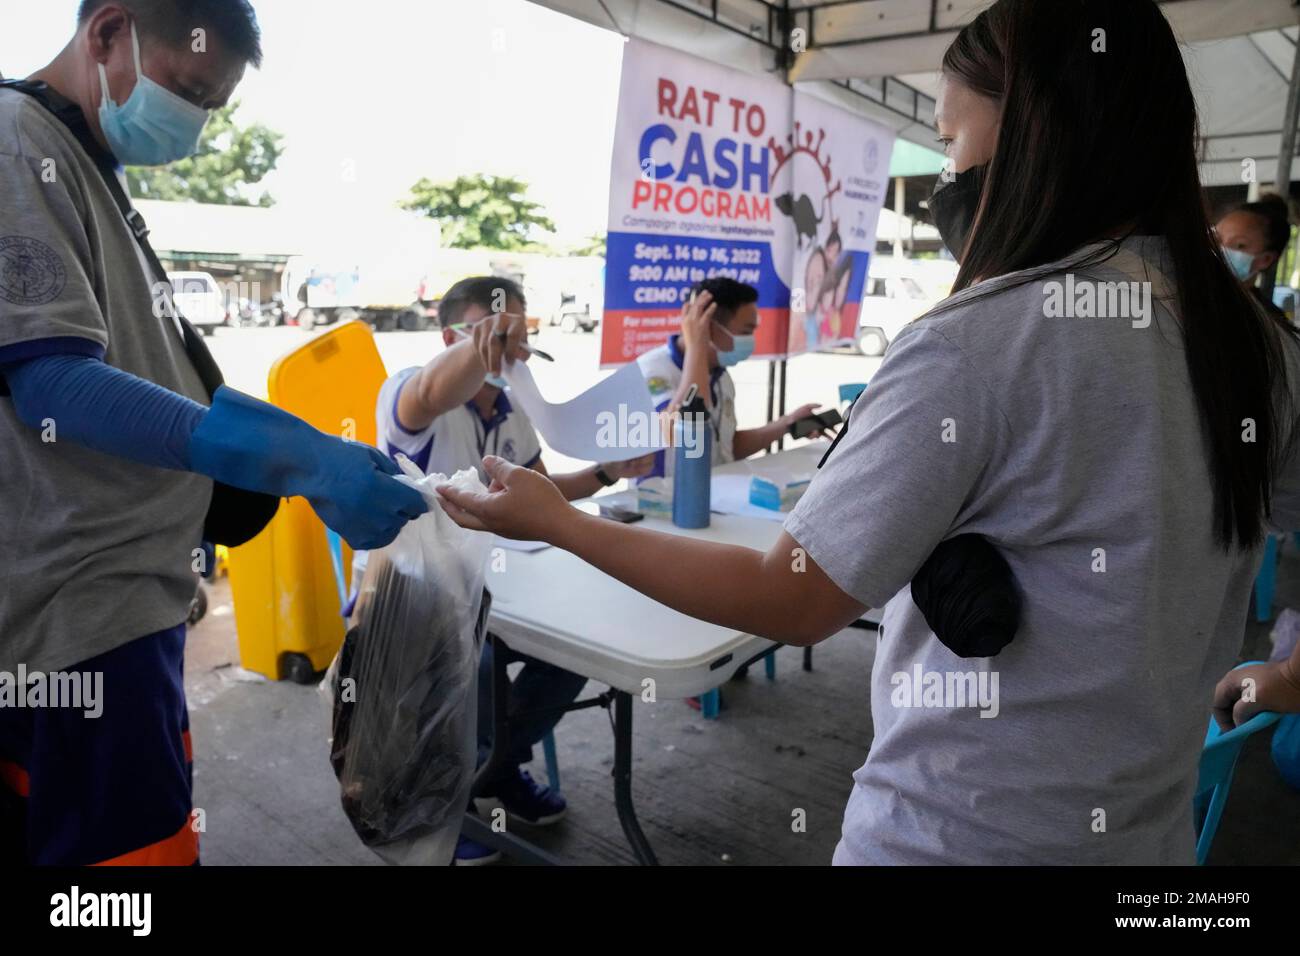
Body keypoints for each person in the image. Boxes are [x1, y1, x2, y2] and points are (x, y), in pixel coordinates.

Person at [437, 0, 1300, 864]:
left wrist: (558, 522)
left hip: (952, 836)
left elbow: (795, 598)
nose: (947, 183)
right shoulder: (1257, 345)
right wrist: (1284, 675)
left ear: (1034, 139)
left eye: (956, 146)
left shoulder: (979, 344)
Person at [0, 0, 426, 866]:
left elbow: (155, 370)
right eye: (187, 87)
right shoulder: (17, 143)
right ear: (109, 30)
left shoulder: (86, 160)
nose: (193, 122)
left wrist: (303, 447)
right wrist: (297, 459)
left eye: (214, 105)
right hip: (78, 614)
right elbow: (49, 379)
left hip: (121, 601)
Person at [352, 275, 653, 865]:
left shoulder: (513, 408)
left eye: (520, 332)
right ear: (451, 336)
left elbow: (539, 488)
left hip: (502, 582)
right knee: (479, 667)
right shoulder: (410, 395)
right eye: (499, 330)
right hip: (412, 587)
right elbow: (432, 390)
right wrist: (474, 350)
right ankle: (446, 799)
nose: (512, 347)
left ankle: (493, 768)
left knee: (571, 651)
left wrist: (606, 473)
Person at [636, 276, 825, 478]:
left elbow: (727, 447)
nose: (750, 340)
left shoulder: (720, 375)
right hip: (664, 500)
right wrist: (697, 345)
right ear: (707, 325)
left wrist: (787, 423)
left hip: (714, 495)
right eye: (745, 331)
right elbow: (681, 431)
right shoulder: (653, 371)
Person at [1214, 194, 1293, 323]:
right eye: (1216, 239)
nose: (1220, 249)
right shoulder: (1185, 292)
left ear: (1265, 259)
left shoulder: (1269, 321)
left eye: (1239, 245)